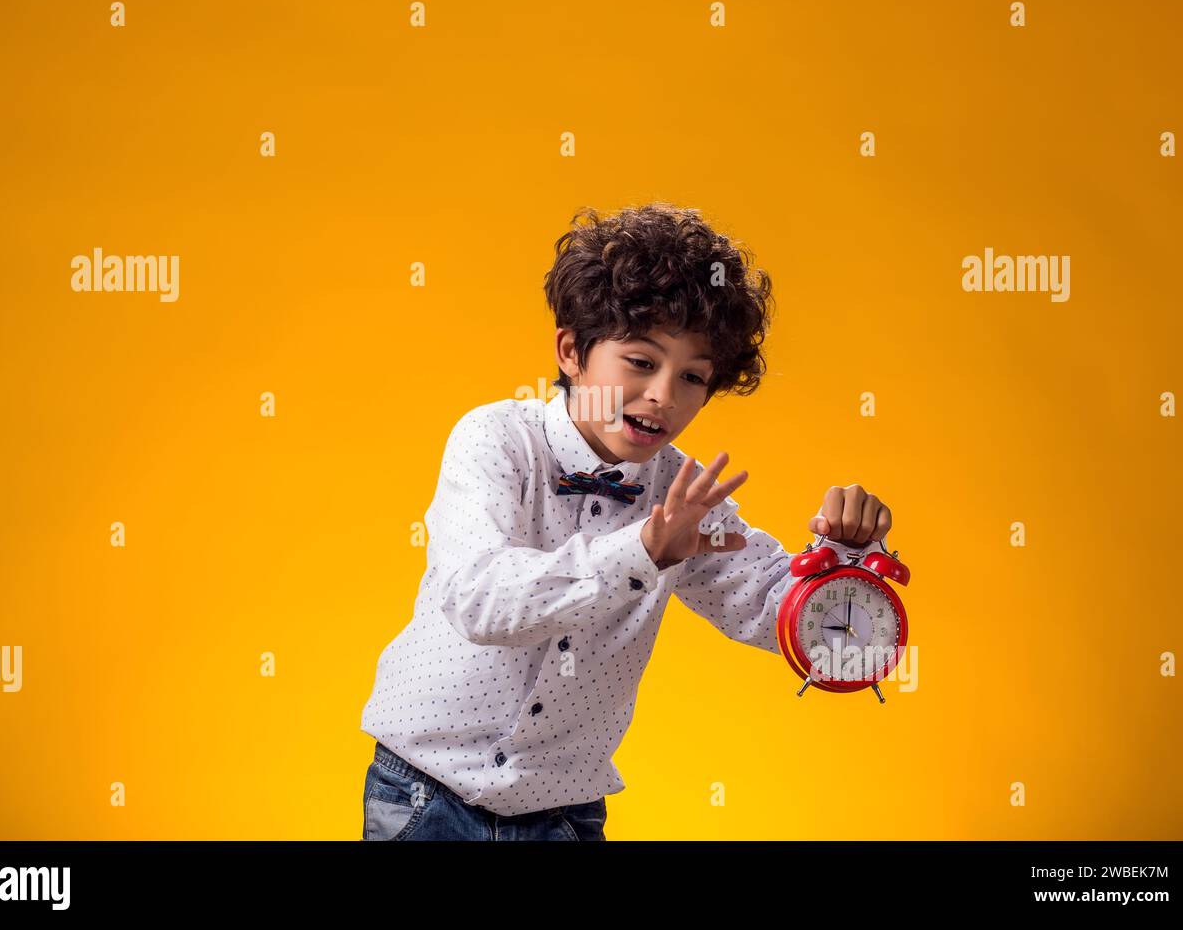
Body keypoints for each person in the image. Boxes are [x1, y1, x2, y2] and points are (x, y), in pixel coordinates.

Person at [359, 202, 893, 840]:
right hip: (425, 796)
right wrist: (642, 550)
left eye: (693, 376)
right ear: (572, 352)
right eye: (641, 362)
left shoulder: (685, 497)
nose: (665, 395)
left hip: (564, 815)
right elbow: (481, 599)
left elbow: (793, 623)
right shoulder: (495, 440)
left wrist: (844, 564)